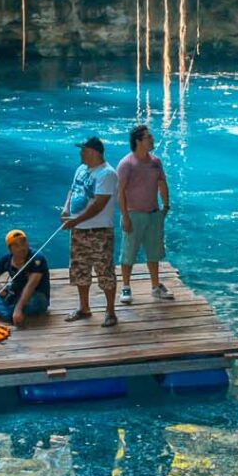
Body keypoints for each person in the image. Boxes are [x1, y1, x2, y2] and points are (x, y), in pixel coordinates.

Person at [61, 136, 119, 327]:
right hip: (78, 229)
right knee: (80, 269)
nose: (80, 153)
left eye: (83, 150)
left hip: (98, 231)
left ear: (94, 152)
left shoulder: (107, 174)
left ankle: (110, 312)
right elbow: (72, 190)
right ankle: (84, 307)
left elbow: (99, 205)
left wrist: (75, 220)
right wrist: (65, 209)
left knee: (104, 271)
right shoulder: (81, 169)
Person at [117, 124, 174, 304]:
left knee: (154, 252)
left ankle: (155, 286)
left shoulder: (155, 162)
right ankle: (125, 287)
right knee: (128, 253)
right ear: (138, 141)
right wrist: (125, 216)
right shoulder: (127, 164)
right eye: (148, 137)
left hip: (153, 213)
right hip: (134, 214)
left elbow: (162, 183)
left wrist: (165, 206)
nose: (152, 139)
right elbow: (121, 192)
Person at [0, 229, 50, 326]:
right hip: (14, 294)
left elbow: (31, 286)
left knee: (36, 301)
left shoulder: (37, 259)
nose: (22, 247)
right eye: (16, 245)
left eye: (23, 242)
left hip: (34, 295)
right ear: (10, 249)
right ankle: (9, 312)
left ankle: (5, 312)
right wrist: (2, 291)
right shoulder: (6, 259)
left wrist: (18, 308)